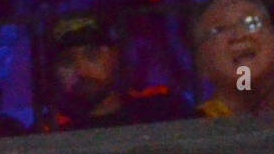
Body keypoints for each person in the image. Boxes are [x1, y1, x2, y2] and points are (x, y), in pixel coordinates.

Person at [45, 15, 188, 130]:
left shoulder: (163, 111)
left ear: (115, 56)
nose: (81, 70)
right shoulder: (50, 132)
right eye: (67, 62)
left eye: (92, 56)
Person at [190, 0, 274, 118]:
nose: (239, 36)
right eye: (219, 30)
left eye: (250, 23)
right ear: (202, 63)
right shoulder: (187, 130)